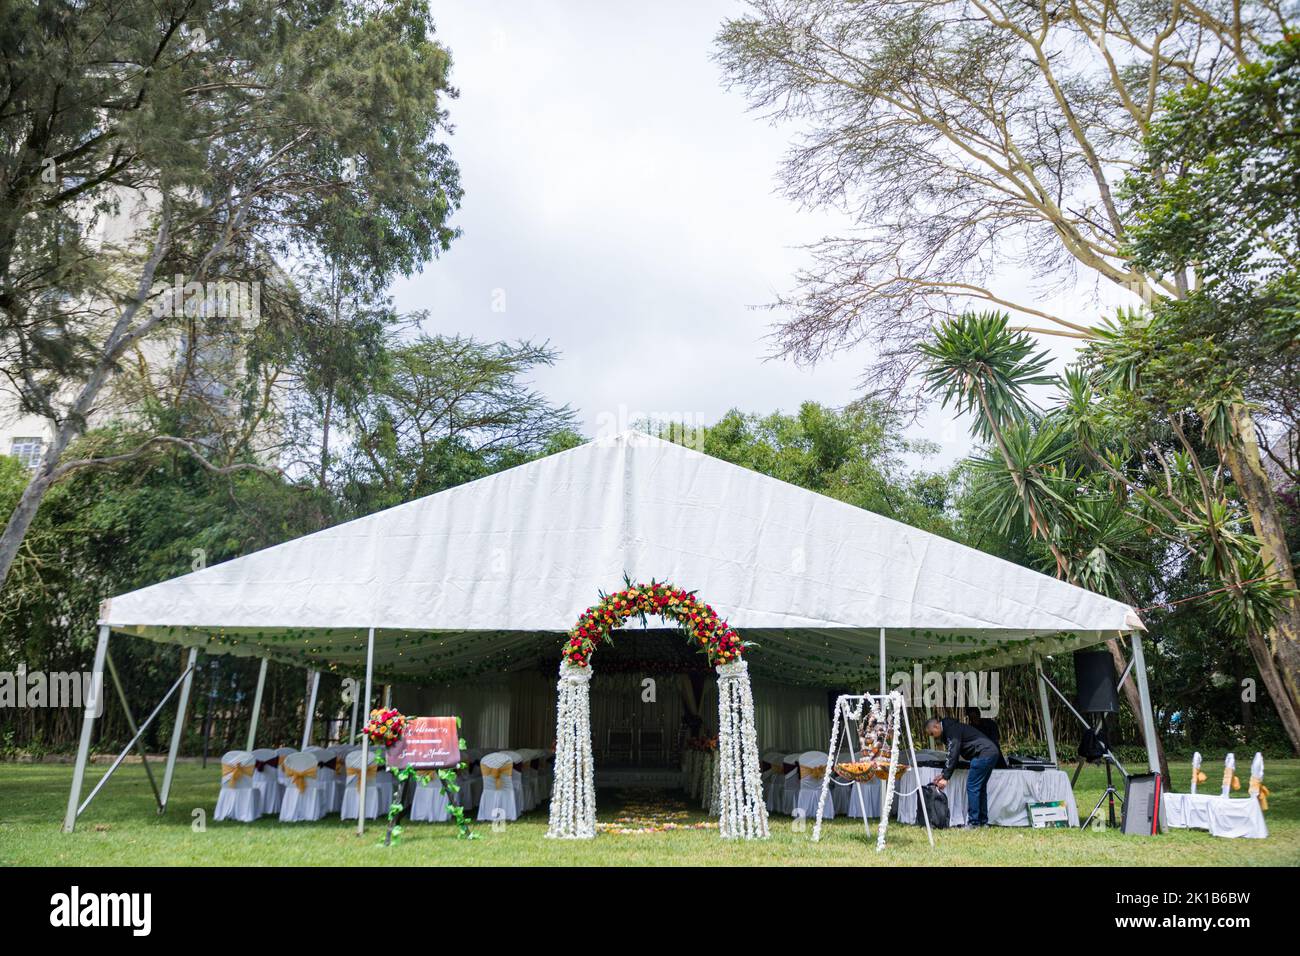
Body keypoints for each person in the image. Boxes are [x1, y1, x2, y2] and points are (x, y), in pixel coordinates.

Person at [925, 716, 1001, 828]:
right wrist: (943, 773)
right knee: (980, 788)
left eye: (932, 733)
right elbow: (952, 756)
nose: (932, 737)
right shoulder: (952, 727)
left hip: (982, 754)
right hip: (991, 752)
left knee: (973, 787)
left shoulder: (951, 730)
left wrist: (946, 777)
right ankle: (982, 821)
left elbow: (953, 754)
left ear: (936, 726)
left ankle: (974, 823)